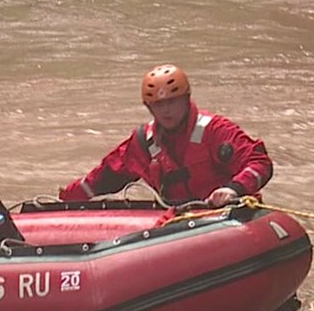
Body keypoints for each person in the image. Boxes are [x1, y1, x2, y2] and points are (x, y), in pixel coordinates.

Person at [59, 64, 273, 207]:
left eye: (172, 102)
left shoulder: (214, 130)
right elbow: (102, 178)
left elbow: (259, 163)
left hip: (227, 213)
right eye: (159, 104)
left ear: (185, 99)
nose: (166, 110)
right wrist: (64, 200)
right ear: (149, 107)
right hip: (180, 223)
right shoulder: (144, 142)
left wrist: (233, 189)